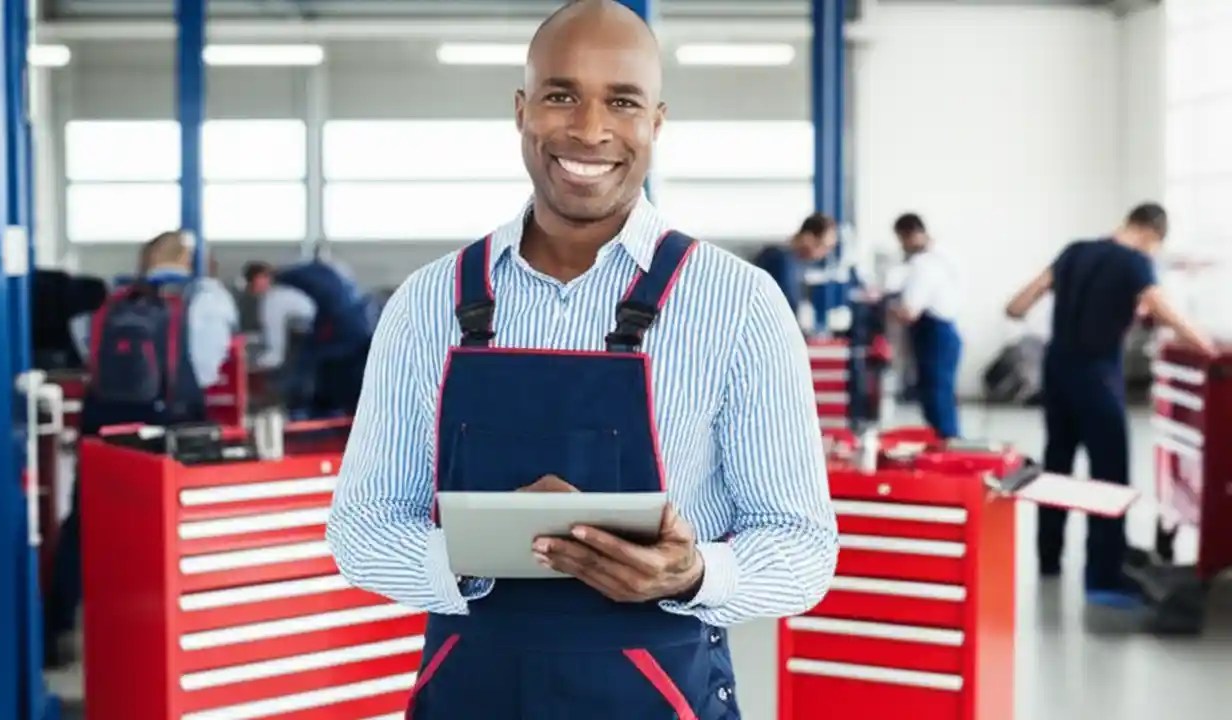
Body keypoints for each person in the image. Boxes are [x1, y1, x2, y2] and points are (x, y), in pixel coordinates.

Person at [325, 2, 838, 717]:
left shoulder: (741, 304)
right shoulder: (425, 304)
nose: (589, 129)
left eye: (622, 102)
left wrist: (691, 574)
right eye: (560, 94)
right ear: (521, 110)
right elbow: (360, 529)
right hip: (471, 693)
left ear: (656, 122)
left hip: (659, 695)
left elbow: (803, 549)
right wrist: (470, 556)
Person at [1005, 202, 1215, 606]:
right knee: (1109, 475)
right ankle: (1102, 574)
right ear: (1153, 235)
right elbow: (1164, 310)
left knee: (1057, 466)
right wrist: (1207, 346)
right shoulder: (1136, 262)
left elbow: (1016, 306)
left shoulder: (1074, 251)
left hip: (1057, 370)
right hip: (1097, 375)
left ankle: (1048, 560)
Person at [47, 230, 237, 666]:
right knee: (178, 522)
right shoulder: (203, 299)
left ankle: (59, 625)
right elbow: (207, 367)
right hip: (173, 421)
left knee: (86, 522)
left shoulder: (111, 300)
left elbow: (85, 349)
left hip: (104, 423)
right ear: (192, 258)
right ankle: (181, 631)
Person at [244, 257, 378, 415]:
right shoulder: (298, 275)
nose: (253, 291)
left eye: (252, 284)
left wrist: (248, 366)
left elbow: (275, 356)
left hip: (338, 329)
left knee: (306, 368)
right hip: (361, 324)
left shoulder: (275, 297)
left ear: (260, 277)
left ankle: (304, 414)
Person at [889, 213, 963, 438]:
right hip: (944, 333)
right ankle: (948, 442)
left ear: (909, 234)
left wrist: (886, 308)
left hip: (934, 335)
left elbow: (909, 312)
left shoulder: (923, 264)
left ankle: (947, 447)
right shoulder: (943, 256)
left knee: (936, 396)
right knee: (941, 394)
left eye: (902, 240)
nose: (902, 246)